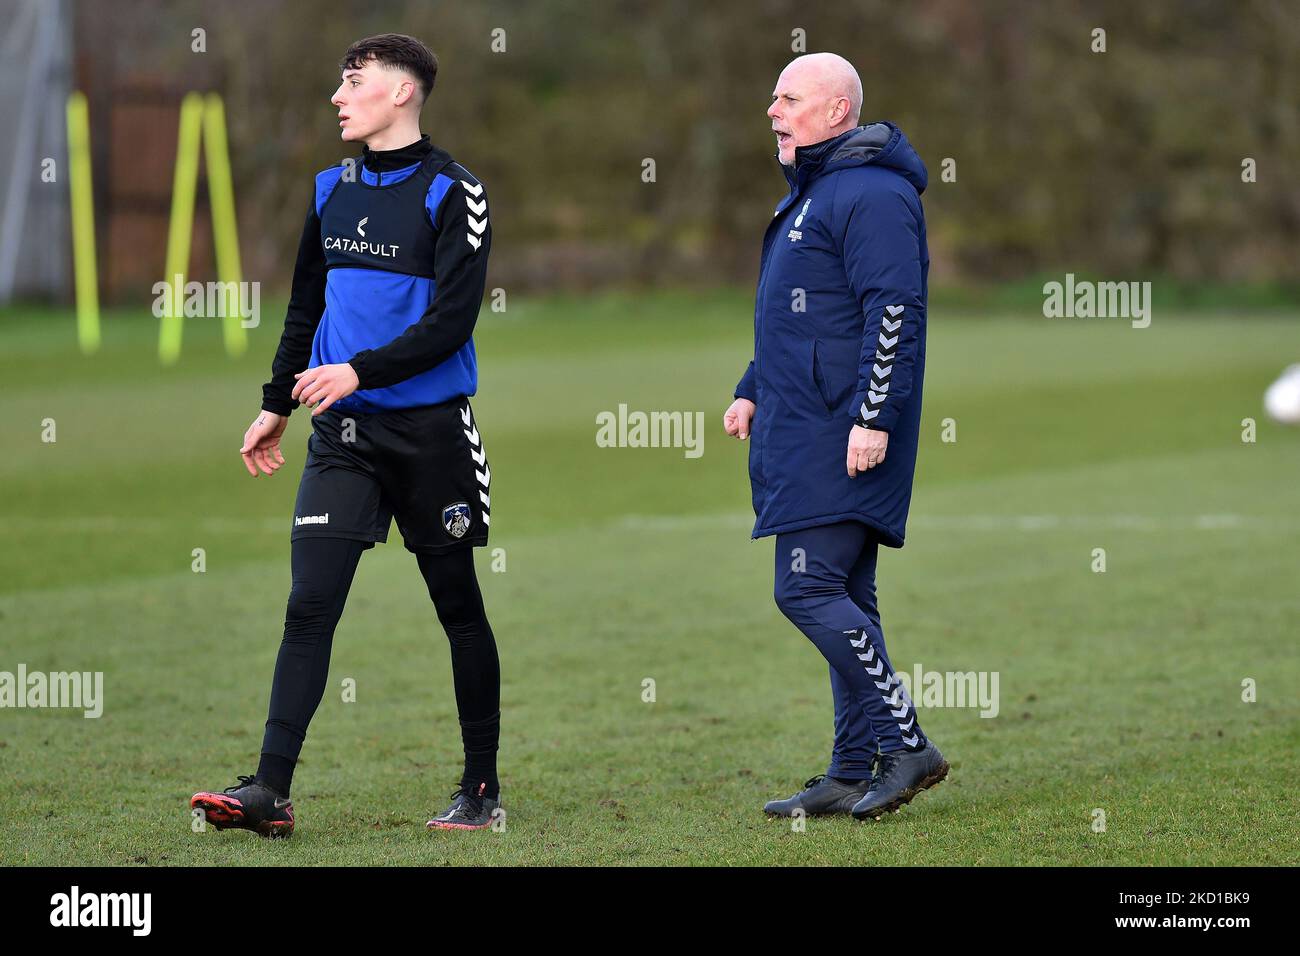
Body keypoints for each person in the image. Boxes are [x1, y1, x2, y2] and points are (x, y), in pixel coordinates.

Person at [191, 33, 501, 836]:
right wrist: (276, 403)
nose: (338, 96)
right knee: (309, 605)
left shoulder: (455, 192)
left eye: (353, 82)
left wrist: (358, 369)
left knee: (458, 608)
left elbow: (450, 324)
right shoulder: (331, 187)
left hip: (431, 435)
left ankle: (480, 789)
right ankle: (269, 791)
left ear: (400, 93)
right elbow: (305, 308)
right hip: (343, 435)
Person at [723, 52, 947, 820]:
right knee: (845, 590)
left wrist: (873, 417)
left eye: (787, 98)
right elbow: (801, 312)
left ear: (836, 112)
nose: (772, 110)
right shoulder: (815, 195)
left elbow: (894, 311)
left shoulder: (873, 195)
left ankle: (907, 743)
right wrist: (752, 389)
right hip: (802, 423)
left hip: (843, 427)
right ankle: (853, 768)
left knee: (806, 587)